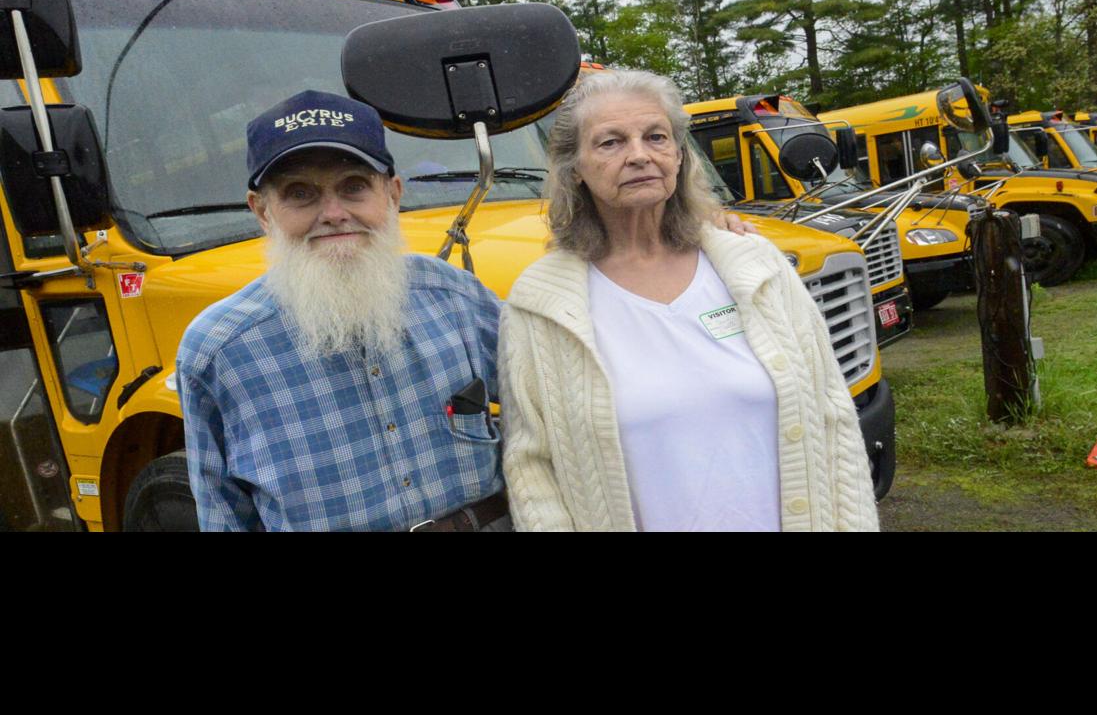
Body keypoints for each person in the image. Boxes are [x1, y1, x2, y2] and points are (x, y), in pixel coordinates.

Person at [500, 68, 878, 532]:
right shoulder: (541, 304)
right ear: (574, 168)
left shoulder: (756, 267)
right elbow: (531, 468)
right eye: (610, 142)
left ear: (679, 155)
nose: (639, 155)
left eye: (655, 137)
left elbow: (832, 416)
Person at [177, 90, 513, 531]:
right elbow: (223, 516)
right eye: (300, 193)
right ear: (263, 212)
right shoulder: (218, 350)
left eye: (354, 186)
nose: (334, 213)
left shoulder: (456, 297)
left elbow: (553, 415)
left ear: (392, 194)